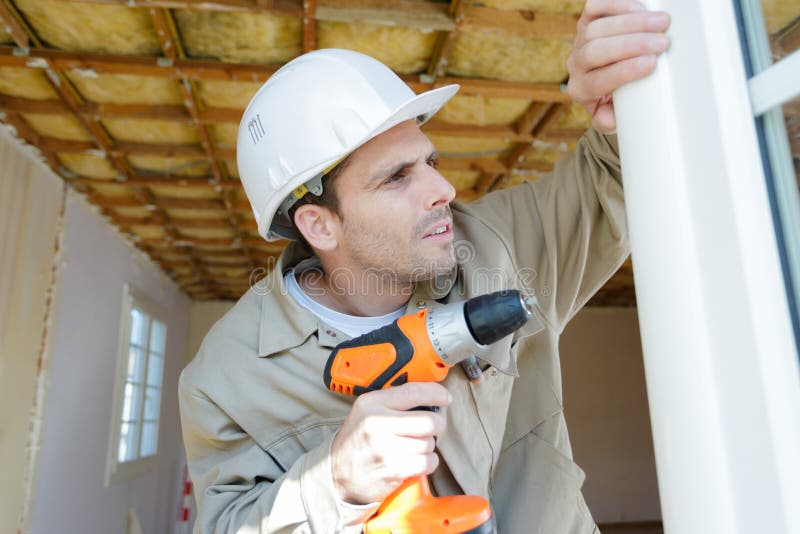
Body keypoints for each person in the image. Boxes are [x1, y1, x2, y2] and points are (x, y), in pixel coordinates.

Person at [179, 1, 671, 532]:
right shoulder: (226, 379)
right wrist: (334, 484)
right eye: (396, 177)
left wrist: (621, 93)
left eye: (430, 163)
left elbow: (617, 172)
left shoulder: (500, 248)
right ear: (319, 225)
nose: (444, 190)